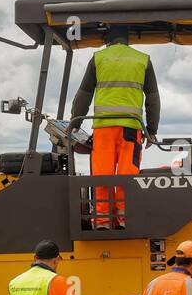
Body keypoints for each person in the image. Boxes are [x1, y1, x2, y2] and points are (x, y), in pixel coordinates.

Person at [68, 25, 161, 229]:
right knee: (127, 176)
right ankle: (123, 220)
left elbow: (83, 94)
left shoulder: (99, 58)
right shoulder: (142, 59)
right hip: (131, 128)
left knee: (102, 175)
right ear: (127, 40)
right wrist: (151, 130)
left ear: (107, 41)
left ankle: (102, 221)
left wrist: (75, 123)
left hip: (102, 127)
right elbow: (153, 98)